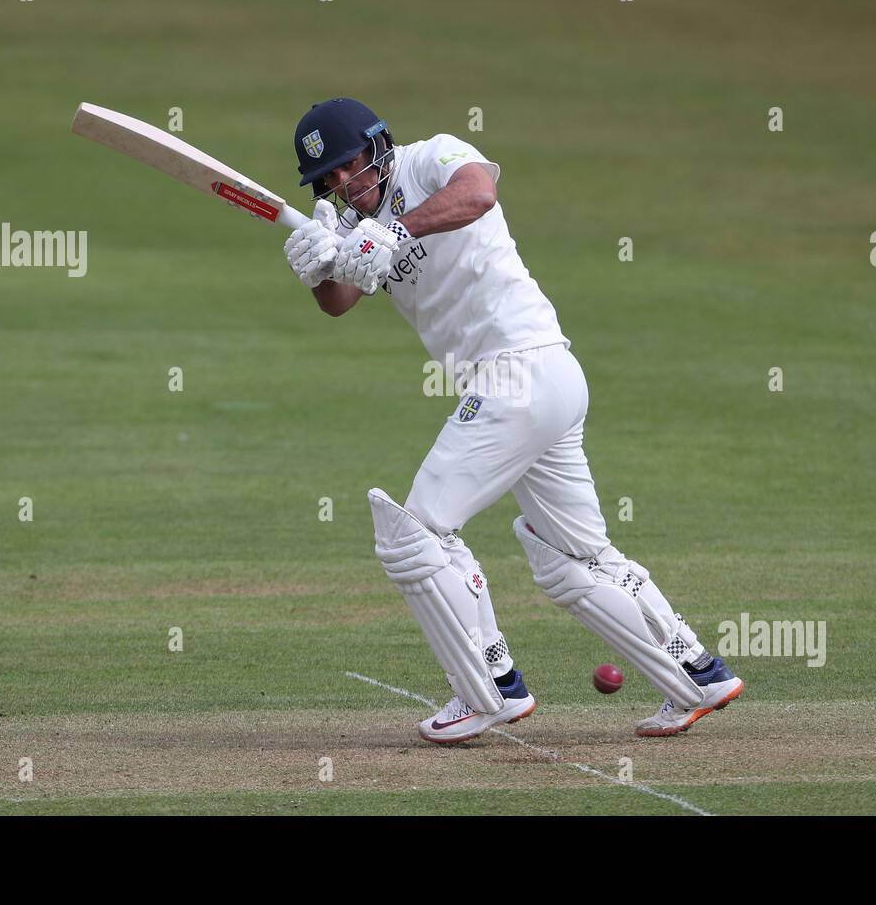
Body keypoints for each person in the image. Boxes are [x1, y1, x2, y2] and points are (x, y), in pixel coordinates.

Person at [283, 97, 743, 744]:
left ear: (379, 144)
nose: (342, 185)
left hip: (521, 370)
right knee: (572, 559)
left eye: (347, 167)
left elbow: (479, 194)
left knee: (414, 533)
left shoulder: (430, 158)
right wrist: (318, 262)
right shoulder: (361, 222)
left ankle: (491, 689)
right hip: (535, 383)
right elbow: (339, 300)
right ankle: (698, 674)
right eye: (326, 181)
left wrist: (395, 232)